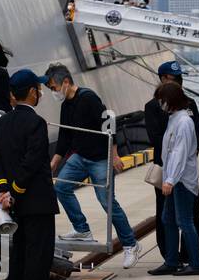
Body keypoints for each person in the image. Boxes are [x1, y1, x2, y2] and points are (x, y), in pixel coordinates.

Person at [44, 63, 142, 267]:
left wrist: (115, 155)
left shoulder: (89, 98)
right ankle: (81, 229)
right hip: (80, 157)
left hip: (100, 159)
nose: (52, 92)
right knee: (61, 187)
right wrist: (55, 161)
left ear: (66, 82)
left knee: (107, 203)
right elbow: (65, 135)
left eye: (53, 87)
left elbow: (109, 123)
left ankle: (130, 244)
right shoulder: (66, 106)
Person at [0, 69, 58, 280]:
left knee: (18, 256)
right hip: (36, 202)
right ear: (31, 92)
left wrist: (4, 191)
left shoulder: (2, 123)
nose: (40, 93)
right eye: (38, 89)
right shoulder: (36, 123)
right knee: (38, 256)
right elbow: (33, 160)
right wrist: (15, 192)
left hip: (12, 204)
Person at [143, 61, 199, 265]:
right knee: (166, 217)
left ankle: (192, 261)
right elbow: (159, 141)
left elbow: (181, 151)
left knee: (186, 219)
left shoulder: (184, 117)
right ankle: (170, 258)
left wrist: (171, 178)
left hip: (179, 177)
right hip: (168, 173)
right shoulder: (168, 115)